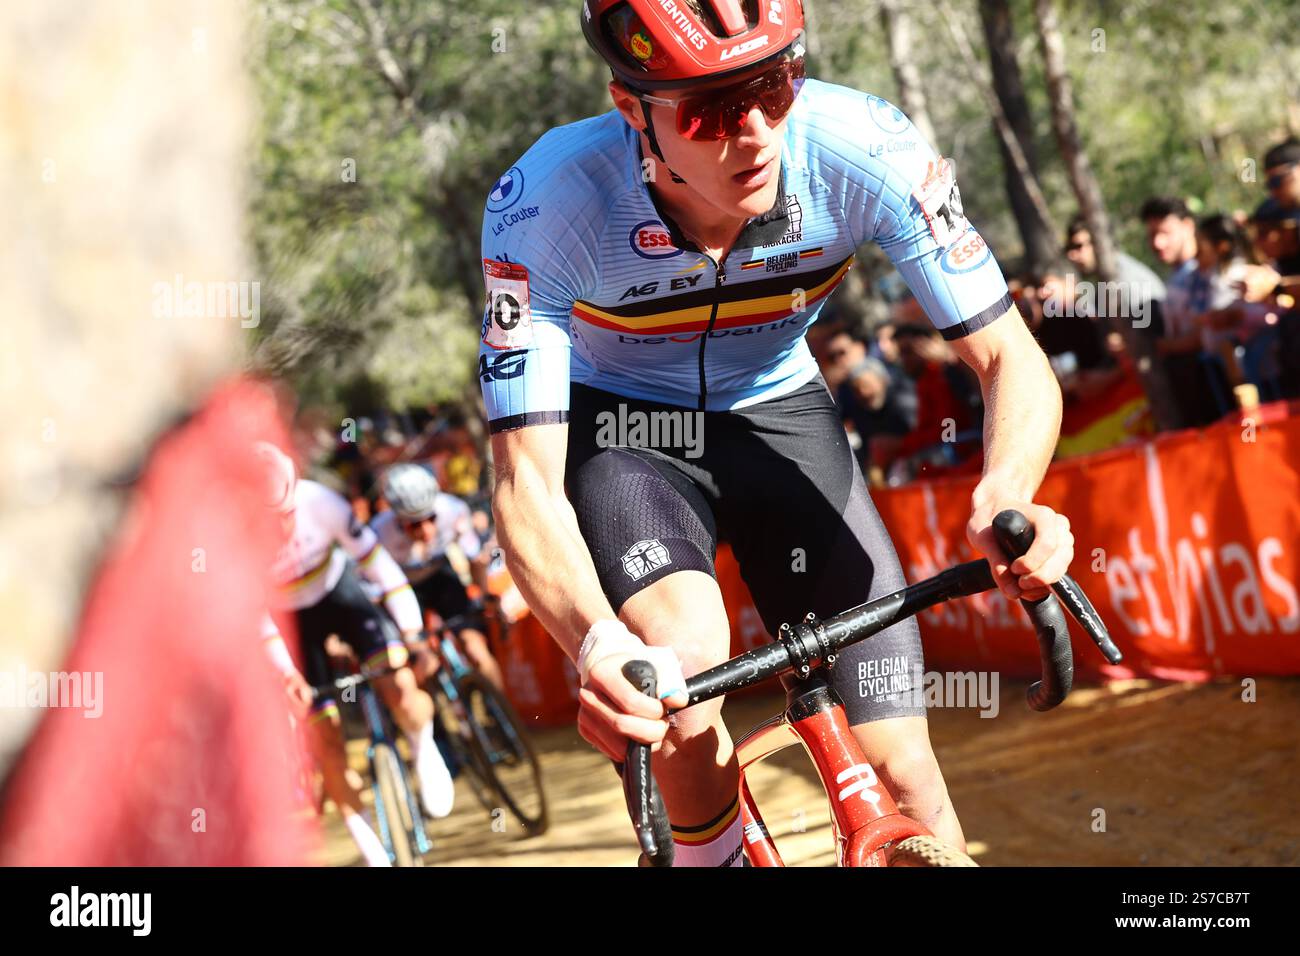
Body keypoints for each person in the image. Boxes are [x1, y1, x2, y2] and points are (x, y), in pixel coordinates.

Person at [479, 0, 1074, 867]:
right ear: (631, 108)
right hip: (629, 429)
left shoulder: (865, 146)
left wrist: (1007, 490)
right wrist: (598, 643)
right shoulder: (544, 203)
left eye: (774, 84)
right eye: (713, 110)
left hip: (781, 412)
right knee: (682, 670)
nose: (755, 132)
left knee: (906, 775)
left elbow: (1007, 357)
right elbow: (522, 479)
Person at [255, 442, 454, 867]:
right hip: (289, 623)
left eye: (286, 513)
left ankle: (421, 745)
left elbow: (381, 568)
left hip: (340, 596)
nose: (282, 525)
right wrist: (285, 673)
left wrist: (413, 633)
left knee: (399, 682)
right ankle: (370, 847)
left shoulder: (320, 502)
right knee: (324, 738)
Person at [370, 463, 504, 691]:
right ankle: (442, 715)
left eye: (431, 518)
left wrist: (483, 595)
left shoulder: (452, 510)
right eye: (414, 525)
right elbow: (377, 593)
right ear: (397, 518)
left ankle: (508, 718)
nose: (426, 530)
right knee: (424, 664)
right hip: (404, 590)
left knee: (476, 650)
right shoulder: (378, 533)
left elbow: (475, 560)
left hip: (442, 577)